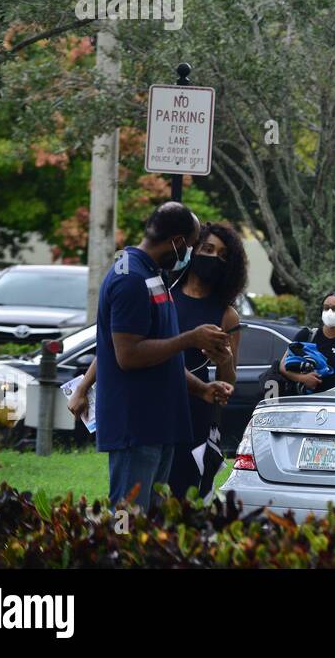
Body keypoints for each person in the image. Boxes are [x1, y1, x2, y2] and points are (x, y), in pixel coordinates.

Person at [90, 203, 232, 509]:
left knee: (151, 522)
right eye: (192, 246)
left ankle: (134, 555)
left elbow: (161, 353)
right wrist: (190, 338)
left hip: (160, 424)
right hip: (136, 426)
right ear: (178, 242)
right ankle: (118, 555)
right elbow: (128, 355)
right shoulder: (130, 279)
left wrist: (202, 389)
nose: (191, 255)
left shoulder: (154, 275)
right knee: (126, 515)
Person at [165, 222, 247, 499]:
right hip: (157, 404)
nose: (213, 258)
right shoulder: (164, 295)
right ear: (193, 250)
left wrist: (224, 361)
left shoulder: (227, 315)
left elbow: (228, 383)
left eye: (223, 255)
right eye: (208, 249)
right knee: (144, 495)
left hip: (196, 415)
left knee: (186, 498)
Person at [280, 292, 335, 395]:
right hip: (305, 403)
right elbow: (282, 366)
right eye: (326, 308)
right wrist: (303, 378)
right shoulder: (307, 335)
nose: (330, 312)